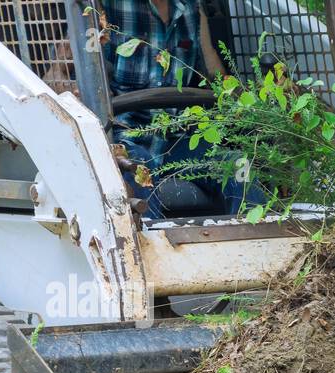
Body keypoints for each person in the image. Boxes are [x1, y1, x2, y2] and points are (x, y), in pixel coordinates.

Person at [100, 0, 262, 218]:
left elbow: (213, 70)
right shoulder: (108, 8)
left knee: (238, 164)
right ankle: (153, 248)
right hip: (126, 137)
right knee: (136, 169)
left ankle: (252, 242)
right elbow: (75, 71)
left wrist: (255, 101)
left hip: (176, 139)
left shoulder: (193, 9)